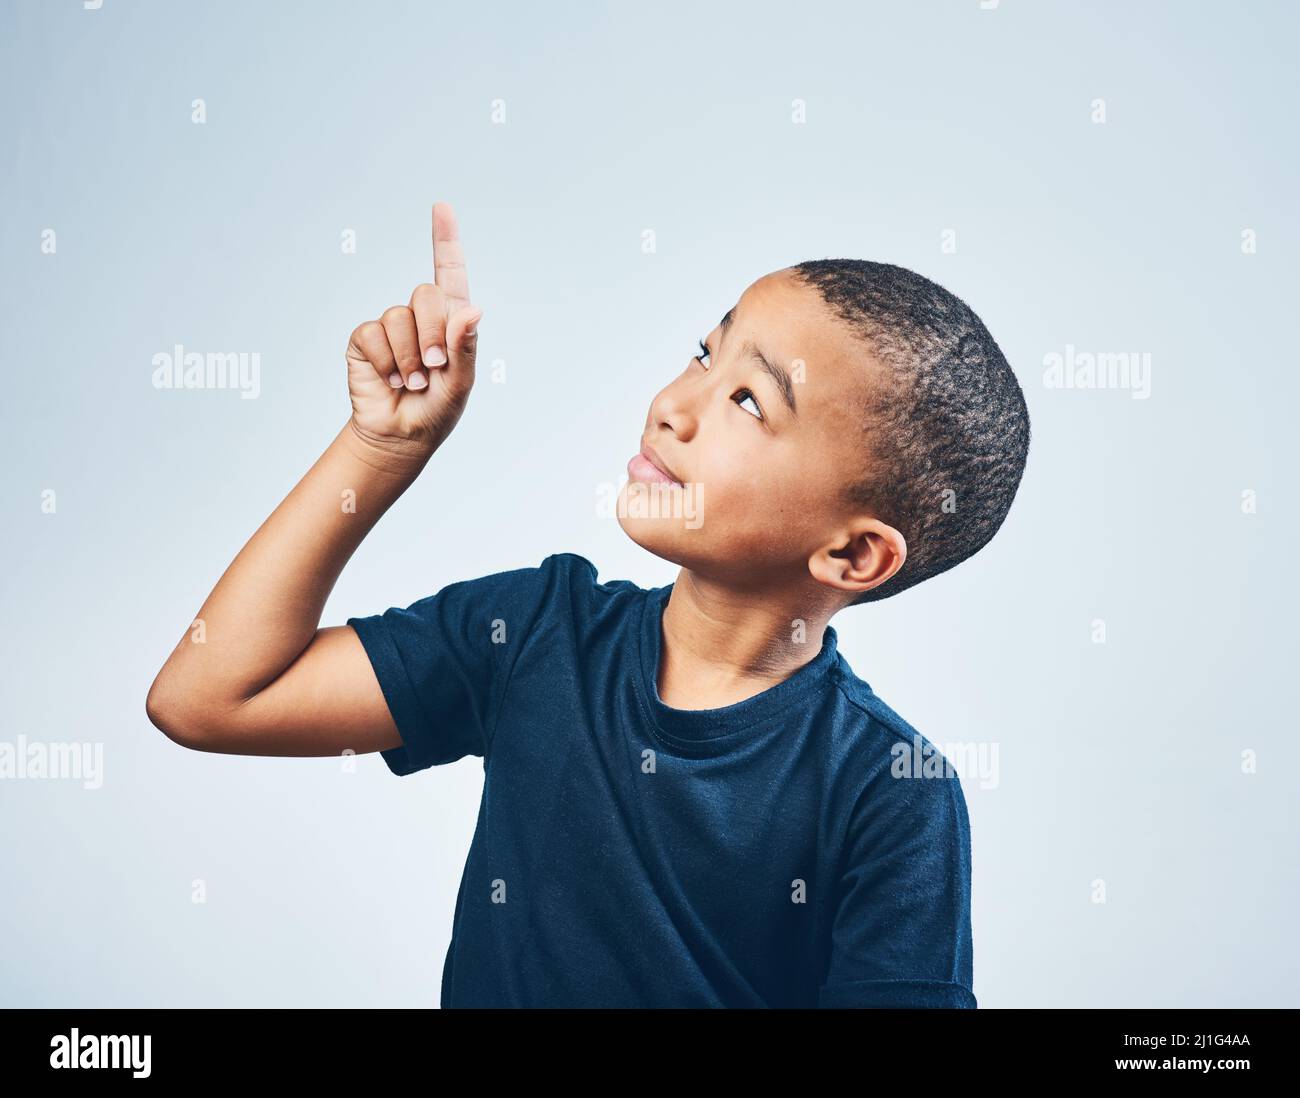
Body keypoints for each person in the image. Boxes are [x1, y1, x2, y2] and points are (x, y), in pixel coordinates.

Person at [146, 201, 1030, 1008]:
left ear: (851, 553)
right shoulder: (535, 630)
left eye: (749, 400)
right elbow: (208, 698)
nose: (673, 408)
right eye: (703, 353)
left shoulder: (891, 793)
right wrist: (381, 446)